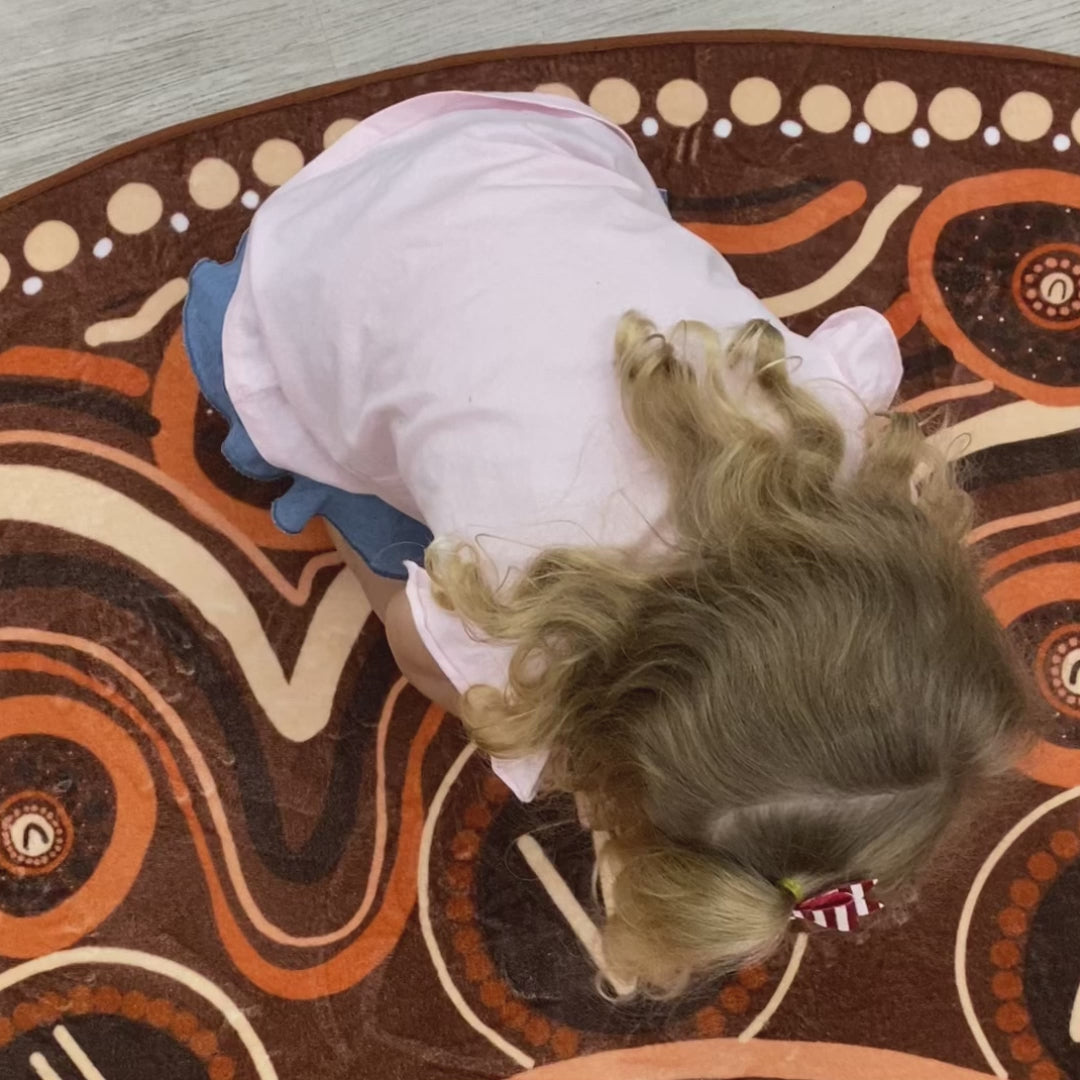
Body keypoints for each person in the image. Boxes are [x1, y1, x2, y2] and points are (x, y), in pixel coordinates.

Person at [183, 90, 1032, 994]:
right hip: (297, 273)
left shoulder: (838, 424)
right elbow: (411, 638)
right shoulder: (520, 609)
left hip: (522, 144)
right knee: (369, 516)